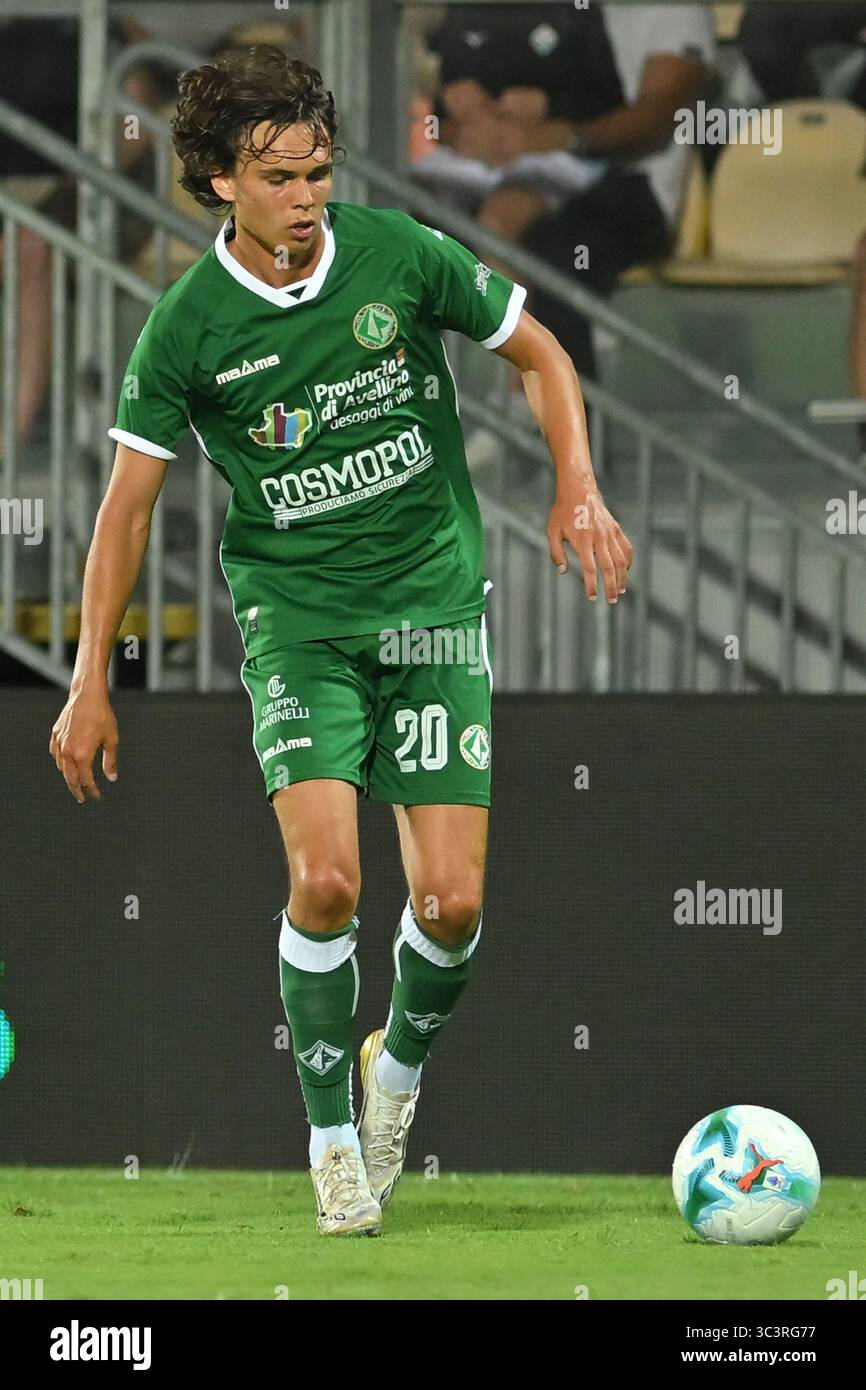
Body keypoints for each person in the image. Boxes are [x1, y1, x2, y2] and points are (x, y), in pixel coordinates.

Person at [49, 47, 632, 1237]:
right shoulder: (187, 328)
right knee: (324, 880)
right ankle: (327, 1143)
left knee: (453, 905)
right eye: (278, 178)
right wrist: (87, 678)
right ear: (217, 180)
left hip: (430, 608)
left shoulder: (397, 254)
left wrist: (576, 484)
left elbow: (541, 354)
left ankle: (392, 1091)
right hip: (299, 622)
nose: (307, 196)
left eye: (317, 171)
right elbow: (125, 509)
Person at [416, 3, 714, 380]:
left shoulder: (675, 10)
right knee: (406, 231)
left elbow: (656, 119)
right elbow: (464, 116)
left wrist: (566, 138)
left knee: (556, 254)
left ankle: (560, 422)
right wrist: (470, 129)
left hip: (636, 190)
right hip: (528, 177)